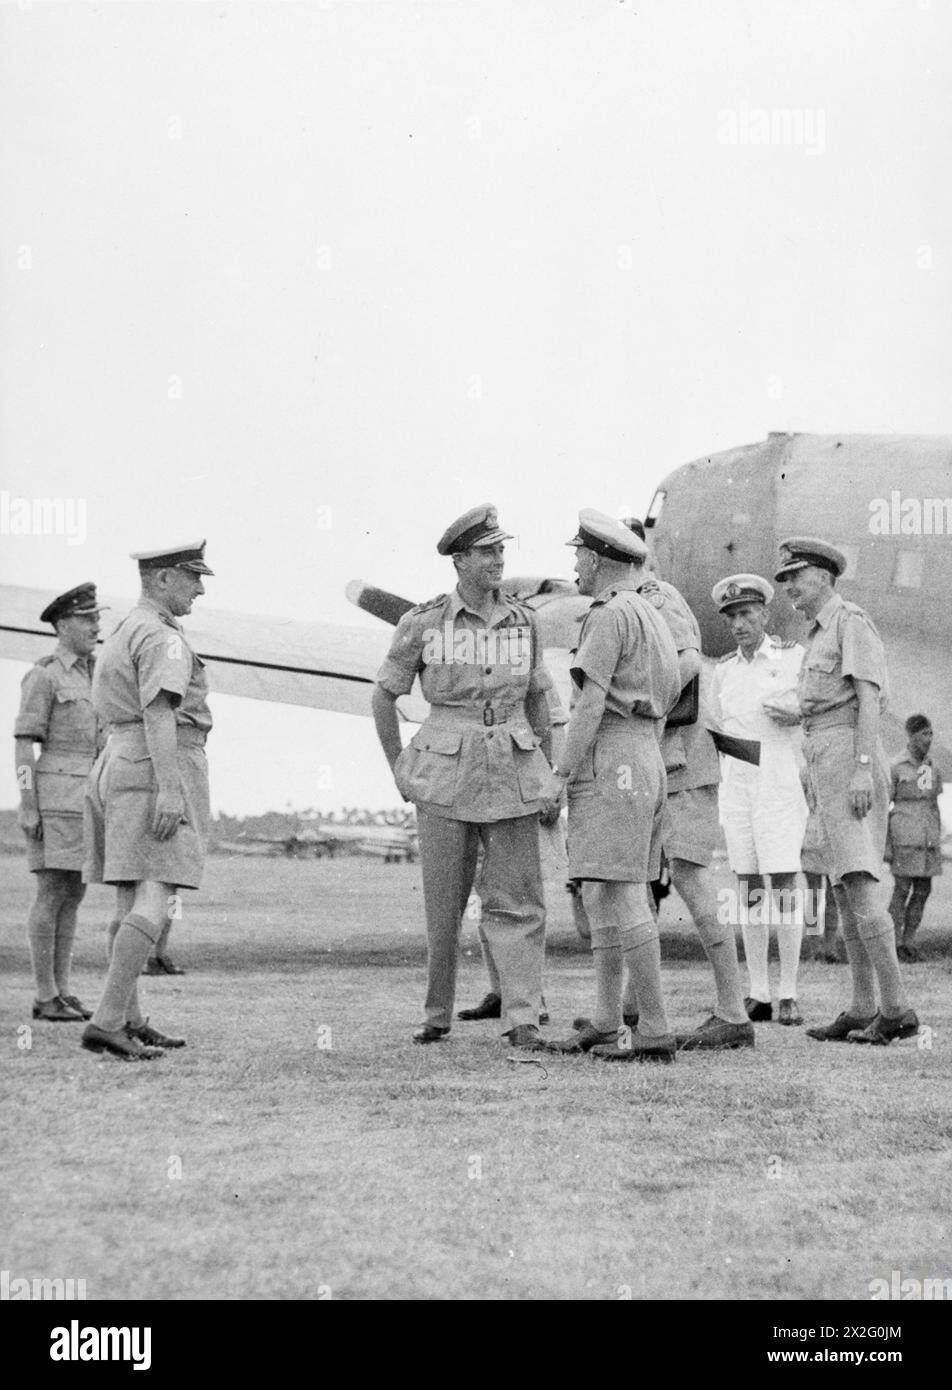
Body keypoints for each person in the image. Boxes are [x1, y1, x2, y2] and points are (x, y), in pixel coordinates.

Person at [372, 505, 564, 1048]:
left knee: (519, 900)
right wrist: (399, 767)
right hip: (444, 773)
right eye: (487, 552)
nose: (498, 560)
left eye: (502, 550)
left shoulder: (524, 621)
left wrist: (549, 771)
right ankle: (436, 1013)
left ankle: (523, 1017)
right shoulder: (425, 622)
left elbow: (538, 700)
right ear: (460, 560)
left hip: (512, 770)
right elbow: (384, 695)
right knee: (444, 901)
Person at [539, 510, 681, 1063]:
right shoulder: (652, 614)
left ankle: (654, 1028)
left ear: (597, 559)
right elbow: (670, 699)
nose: (575, 563)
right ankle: (605, 1018)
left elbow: (590, 703)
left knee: (620, 893)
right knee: (605, 889)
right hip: (646, 755)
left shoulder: (607, 615)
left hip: (611, 756)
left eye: (579, 554)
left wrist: (560, 774)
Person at [773, 537, 919, 1045]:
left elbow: (869, 698)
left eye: (795, 575)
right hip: (822, 756)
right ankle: (862, 1005)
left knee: (859, 882)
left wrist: (860, 769)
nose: (788, 585)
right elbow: (823, 702)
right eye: (785, 578)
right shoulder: (817, 634)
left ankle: (897, 1007)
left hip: (848, 757)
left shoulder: (850, 621)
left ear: (824, 577)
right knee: (841, 884)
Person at [81, 540, 214, 1061]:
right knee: (156, 894)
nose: (199, 589)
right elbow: (160, 713)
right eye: (192, 577)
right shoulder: (162, 638)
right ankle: (108, 1020)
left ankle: (130, 1018)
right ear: (162, 580)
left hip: (118, 759)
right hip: (157, 761)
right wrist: (169, 787)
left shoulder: (125, 629)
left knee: (128, 895)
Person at [708, 574, 809, 1025]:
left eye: (747, 613)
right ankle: (759, 992)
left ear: (765, 615)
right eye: (732, 616)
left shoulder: (792, 659)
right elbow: (717, 733)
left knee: (784, 882)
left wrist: (799, 713)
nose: (739, 623)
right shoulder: (724, 671)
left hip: (779, 784)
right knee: (747, 885)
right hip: (739, 787)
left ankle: (788, 991)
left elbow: (818, 709)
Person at [14, 584, 107, 1022]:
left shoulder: (94, 673)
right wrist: (27, 802)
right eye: (87, 618)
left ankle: (64, 991)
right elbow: (23, 749)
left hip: (87, 796)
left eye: (96, 617)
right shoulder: (45, 675)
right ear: (63, 624)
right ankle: (44, 994)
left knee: (76, 893)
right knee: (51, 893)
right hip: (52, 798)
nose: (96, 626)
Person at [886, 714, 943, 962]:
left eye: (930, 734)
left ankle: (909, 942)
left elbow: (929, 802)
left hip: (927, 839)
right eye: (923, 734)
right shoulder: (896, 766)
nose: (928, 740)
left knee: (923, 890)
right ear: (911, 736)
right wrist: (886, 845)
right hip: (904, 838)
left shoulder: (929, 766)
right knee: (901, 890)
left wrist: (936, 837)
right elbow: (884, 807)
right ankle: (893, 942)